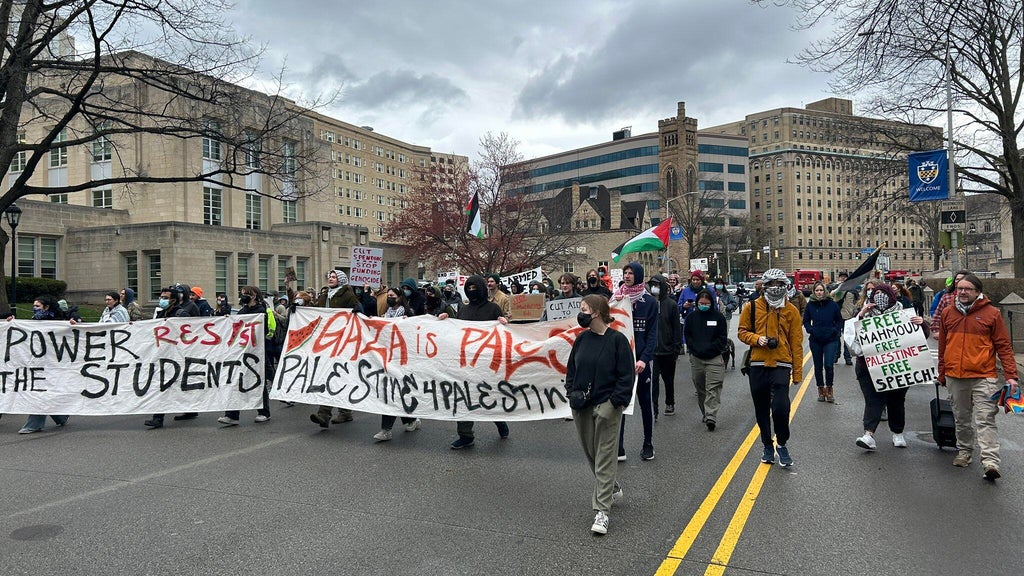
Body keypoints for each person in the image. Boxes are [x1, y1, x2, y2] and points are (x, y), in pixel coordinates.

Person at [938, 274, 1019, 481]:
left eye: (968, 289)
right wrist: (942, 372)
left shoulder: (991, 314)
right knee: (962, 418)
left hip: (984, 376)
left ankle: (990, 462)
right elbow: (943, 346)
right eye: (960, 288)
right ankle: (965, 451)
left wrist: (1011, 376)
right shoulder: (948, 313)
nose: (963, 292)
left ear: (977, 292)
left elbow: (1003, 346)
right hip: (955, 375)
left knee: (985, 419)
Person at [565, 295, 635, 535]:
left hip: (607, 408)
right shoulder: (582, 339)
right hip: (582, 407)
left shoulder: (617, 341)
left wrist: (614, 403)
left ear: (596, 312)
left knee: (605, 457)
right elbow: (572, 369)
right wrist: (571, 393)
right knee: (592, 455)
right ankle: (612, 487)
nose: (581, 312)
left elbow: (626, 376)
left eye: (584, 309)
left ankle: (602, 511)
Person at [846, 284, 929, 451]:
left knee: (896, 401)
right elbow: (851, 338)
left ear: (892, 296)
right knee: (873, 400)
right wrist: (861, 316)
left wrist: (922, 324)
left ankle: (897, 432)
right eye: (875, 294)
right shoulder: (863, 313)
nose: (879, 297)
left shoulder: (903, 312)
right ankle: (868, 434)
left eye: (883, 294)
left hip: (897, 367)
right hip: (868, 368)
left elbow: (919, 337)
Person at [737, 268, 804, 467]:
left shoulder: (791, 310)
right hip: (757, 364)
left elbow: (796, 342)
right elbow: (742, 332)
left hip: (781, 364)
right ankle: (767, 444)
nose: (776, 288)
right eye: (772, 284)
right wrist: (758, 339)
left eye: (780, 284)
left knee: (781, 408)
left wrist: (798, 372)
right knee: (761, 409)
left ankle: (782, 444)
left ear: (785, 286)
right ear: (765, 286)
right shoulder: (752, 307)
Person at [438, 275, 510, 448]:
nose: (472, 291)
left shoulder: (493, 309)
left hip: (487, 362)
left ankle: (499, 420)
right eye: (468, 288)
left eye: (474, 287)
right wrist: (444, 322)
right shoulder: (464, 310)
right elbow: (457, 331)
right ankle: (465, 435)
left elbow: (504, 335)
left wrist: (505, 324)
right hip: (466, 363)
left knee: (489, 395)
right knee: (464, 397)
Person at [612, 262, 658, 462]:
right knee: (620, 403)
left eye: (631, 273)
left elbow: (652, 335)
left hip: (641, 363)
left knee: (644, 404)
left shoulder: (649, 302)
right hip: (622, 363)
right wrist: (615, 304)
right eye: (625, 273)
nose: (628, 276)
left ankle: (648, 443)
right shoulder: (616, 299)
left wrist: (644, 359)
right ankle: (619, 446)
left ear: (638, 275)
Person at [144, 284, 201, 428]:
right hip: (162, 355)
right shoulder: (160, 313)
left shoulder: (181, 314)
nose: (161, 300)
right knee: (161, 385)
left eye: (165, 298)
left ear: (174, 300)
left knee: (177, 384)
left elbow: (190, 333)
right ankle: (158, 418)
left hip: (177, 356)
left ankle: (189, 409)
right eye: (161, 297)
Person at [310, 269, 362, 428]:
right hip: (327, 341)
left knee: (338, 376)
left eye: (333, 277)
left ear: (340, 279)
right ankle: (328, 415)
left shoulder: (348, 295)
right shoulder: (325, 295)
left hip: (343, 341)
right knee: (329, 375)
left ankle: (334, 414)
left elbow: (358, 311)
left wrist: (358, 310)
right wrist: (297, 309)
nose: (330, 279)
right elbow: (317, 312)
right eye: (329, 277)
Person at [218, 286, 274, 425]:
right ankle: (232, 415)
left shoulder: (261, 311)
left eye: (245, 294)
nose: (242, 296)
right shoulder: (243, 311)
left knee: (258, 380)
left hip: (257, 351)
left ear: (254, 295)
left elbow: (263, 330)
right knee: (237, 380)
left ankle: (264, 412)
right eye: (241, 293)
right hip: (242, 351)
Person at [13, 295, 70, 434]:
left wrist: (74, 321)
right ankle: (60, 416)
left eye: (37, 306)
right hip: (36, 363)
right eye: (34, 305)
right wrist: (11, 321)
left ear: (47, 307)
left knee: (40, 391)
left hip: (52, 363)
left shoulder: (57, 322)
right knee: (41, 391)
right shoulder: (33, 322)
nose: (34, 308)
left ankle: (35, 424)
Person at [372, 289, 421, 441]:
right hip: (388, 358)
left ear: (400, 298)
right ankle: (410, 420)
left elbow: (415, 334)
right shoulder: (386, 314)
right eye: (388, 296)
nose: (390, 298)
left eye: (392, 296)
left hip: (402, 359)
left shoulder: (408, 313)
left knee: (392, 391)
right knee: (393, 391)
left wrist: (407, 324)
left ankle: (386, 429)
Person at [684, 289, 728, 431]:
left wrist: (712, 349)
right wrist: (694, 349)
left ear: (711, 303)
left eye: (706, 303)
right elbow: (688, 336)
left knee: (713, 388)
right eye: (701, 303)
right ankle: (705, 412)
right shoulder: (691, 318)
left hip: (714, 358)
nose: (704, 305)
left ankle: (711, 416)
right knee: (700, 388)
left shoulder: (718, 317)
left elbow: (722, 338)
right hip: (696, 358)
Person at [648, 274, 682, 417]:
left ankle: (670, 402)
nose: (654, 288)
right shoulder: (648, 304)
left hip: (668, 350)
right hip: (652, 352)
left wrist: (676, 347)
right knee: (653, 381)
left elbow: (676, 328)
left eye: (657, 285)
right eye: (652, 285)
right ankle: (653, 408)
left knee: (668, 380)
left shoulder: (671, 305)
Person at [803, 282, 843, 402]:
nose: (819, 292)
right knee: (818, 366)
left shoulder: (832, 304)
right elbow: (805, 321)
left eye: (821, 290)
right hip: (816, 340)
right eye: (817, 290)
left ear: (824, 291)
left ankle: (829, 388)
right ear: (814, 292)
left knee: (828, 365)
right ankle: (821, 389)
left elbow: (839, 320)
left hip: (830, 339)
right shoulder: (810, 305)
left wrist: (835, 331)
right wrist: (811, 330)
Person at [932, 270, 969, 340]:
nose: (959, 281)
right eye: (957, 279)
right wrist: (936, 331)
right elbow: (937, 315)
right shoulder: (946, 297)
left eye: (962, 279)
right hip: (950, 335)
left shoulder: (975, 297)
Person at [832, 273, 858, 365]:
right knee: (836, 337)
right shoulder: (835, 288)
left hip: (848, 317)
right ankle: (836, 355)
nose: (843, 278)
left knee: (847, 338)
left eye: (845, 277)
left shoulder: (853, 290)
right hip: (837, 317)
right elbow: (831, 297)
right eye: (841, 277)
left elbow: (856, 302)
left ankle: (848, 357)